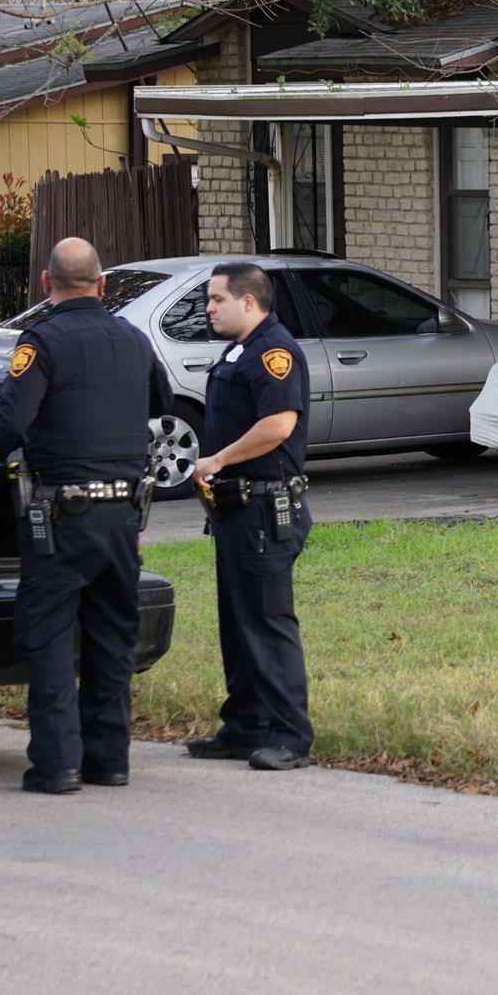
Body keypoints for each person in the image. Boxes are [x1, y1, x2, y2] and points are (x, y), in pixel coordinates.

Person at [0, 238, 174, 795]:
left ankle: (57, 765)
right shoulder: (133, 338)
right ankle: (109, 762)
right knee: (111, 637)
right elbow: (160, 405)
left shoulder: (40, 340)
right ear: (100, 285)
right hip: (122, 516)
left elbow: (12, 422)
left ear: (46, 286)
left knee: (48, 637)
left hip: (60, 516)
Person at [184, 262, 315, 772]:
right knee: (238, 625)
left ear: (248, 301)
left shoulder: (274, 352)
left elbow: (279, 425)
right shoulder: (238, 350)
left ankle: (291, 738)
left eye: (216, 299)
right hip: (235, 508)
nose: (208, 308)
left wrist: (218, 459)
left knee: (266, 623)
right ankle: (244, 728)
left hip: (264, 507)